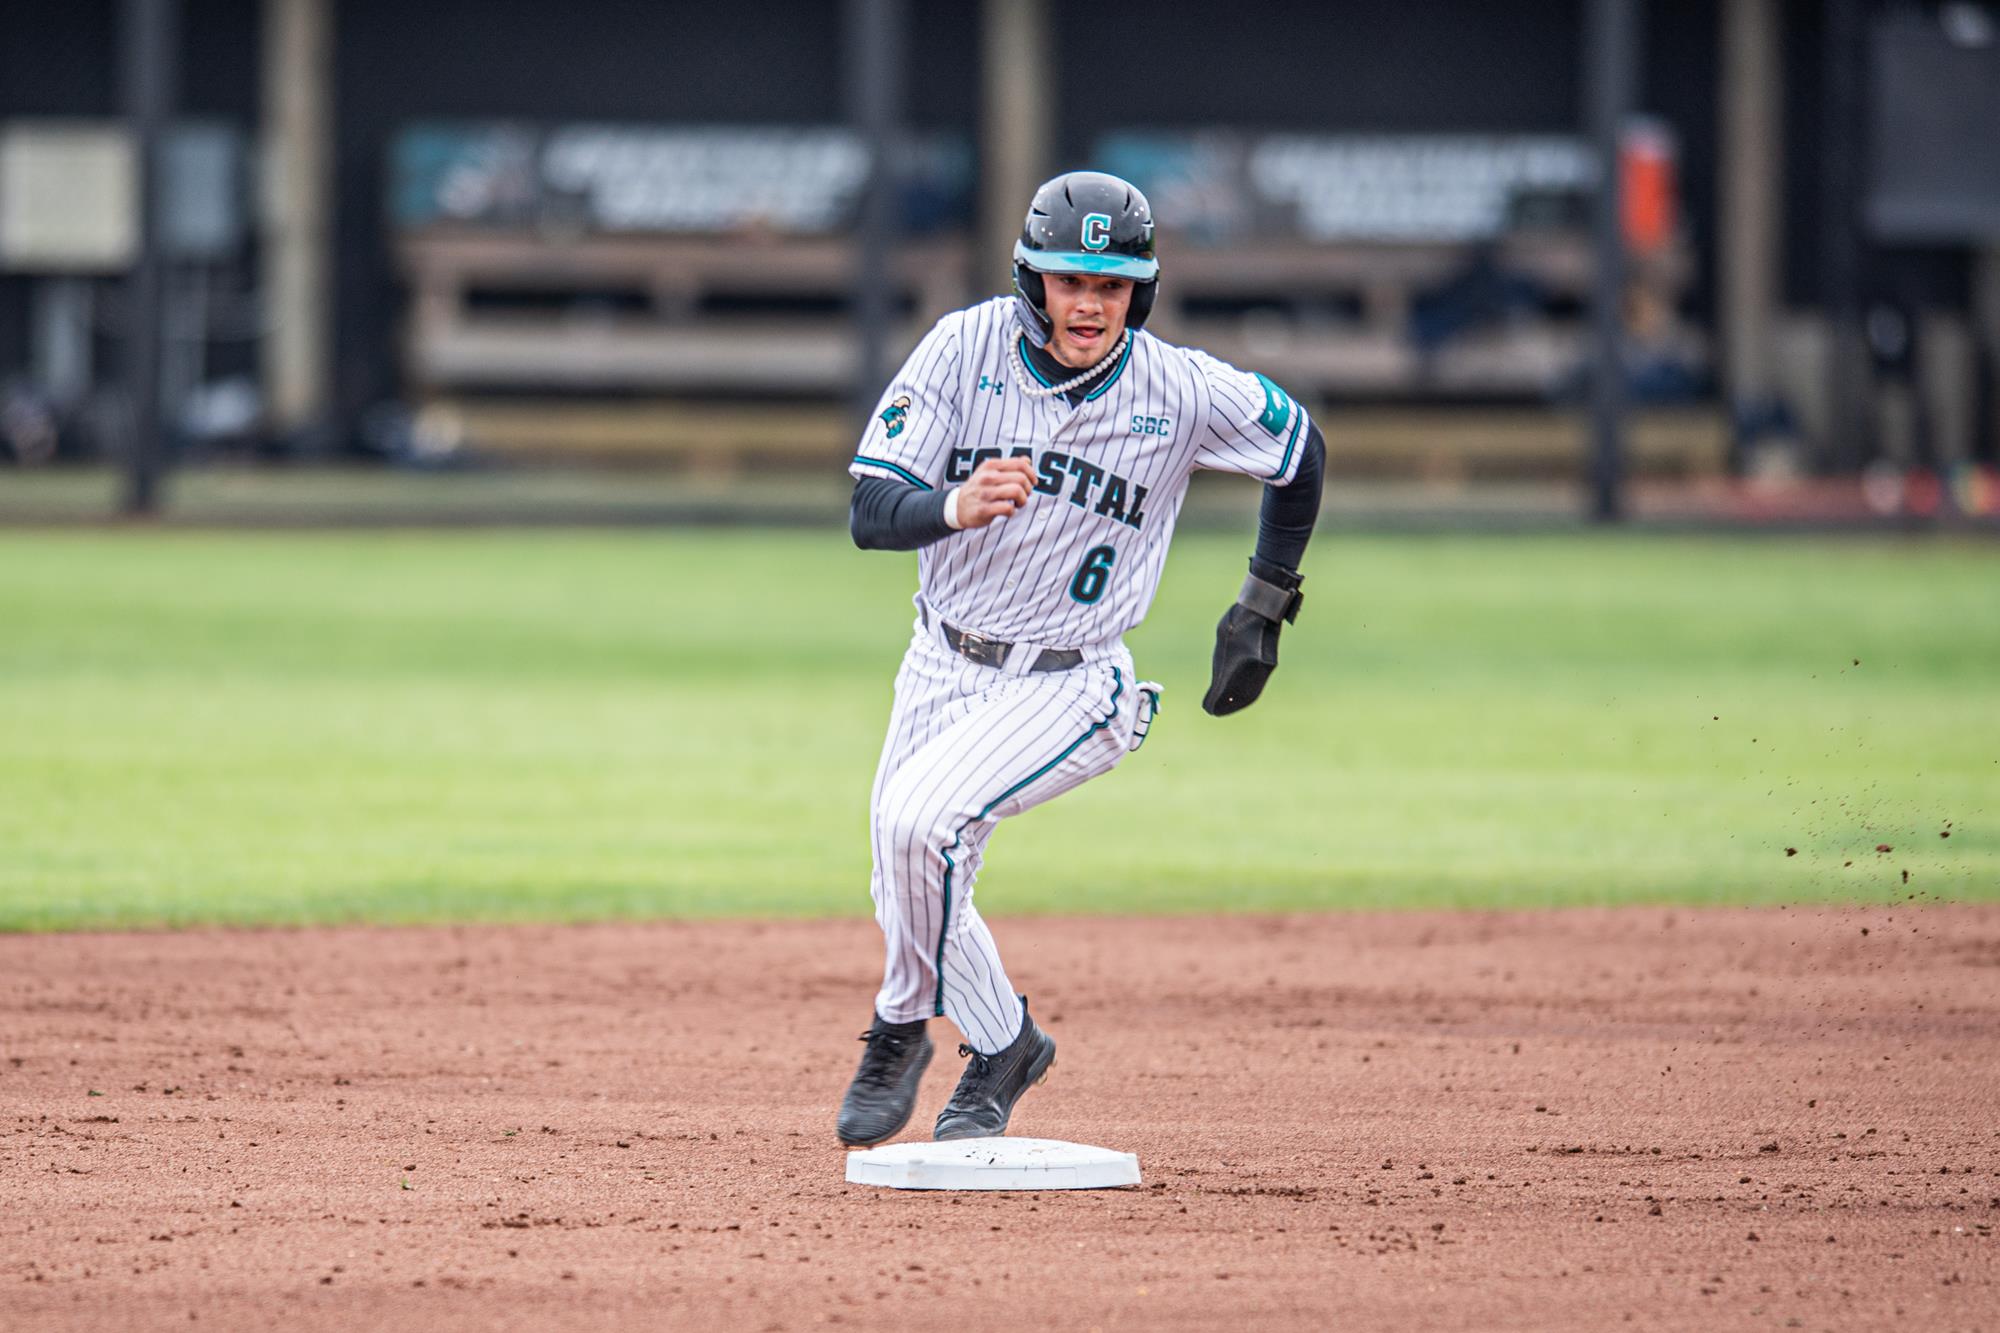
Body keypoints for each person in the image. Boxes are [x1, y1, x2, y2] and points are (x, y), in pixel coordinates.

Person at [836, 171, 1324, 1146]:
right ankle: (1005, 1044)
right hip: (940, 659)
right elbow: (867, 510)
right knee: (911, 874)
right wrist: (951, 503)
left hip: (1073, 680)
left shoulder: (1177, 388)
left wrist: (1261, 605)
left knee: (916, 821)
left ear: (1138, 292)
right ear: (1033, 281)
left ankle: (898, 1023)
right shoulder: (962, 348)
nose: (1089, 303)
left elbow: (1298, 447)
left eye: (1110, 285)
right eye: (1069, 281)